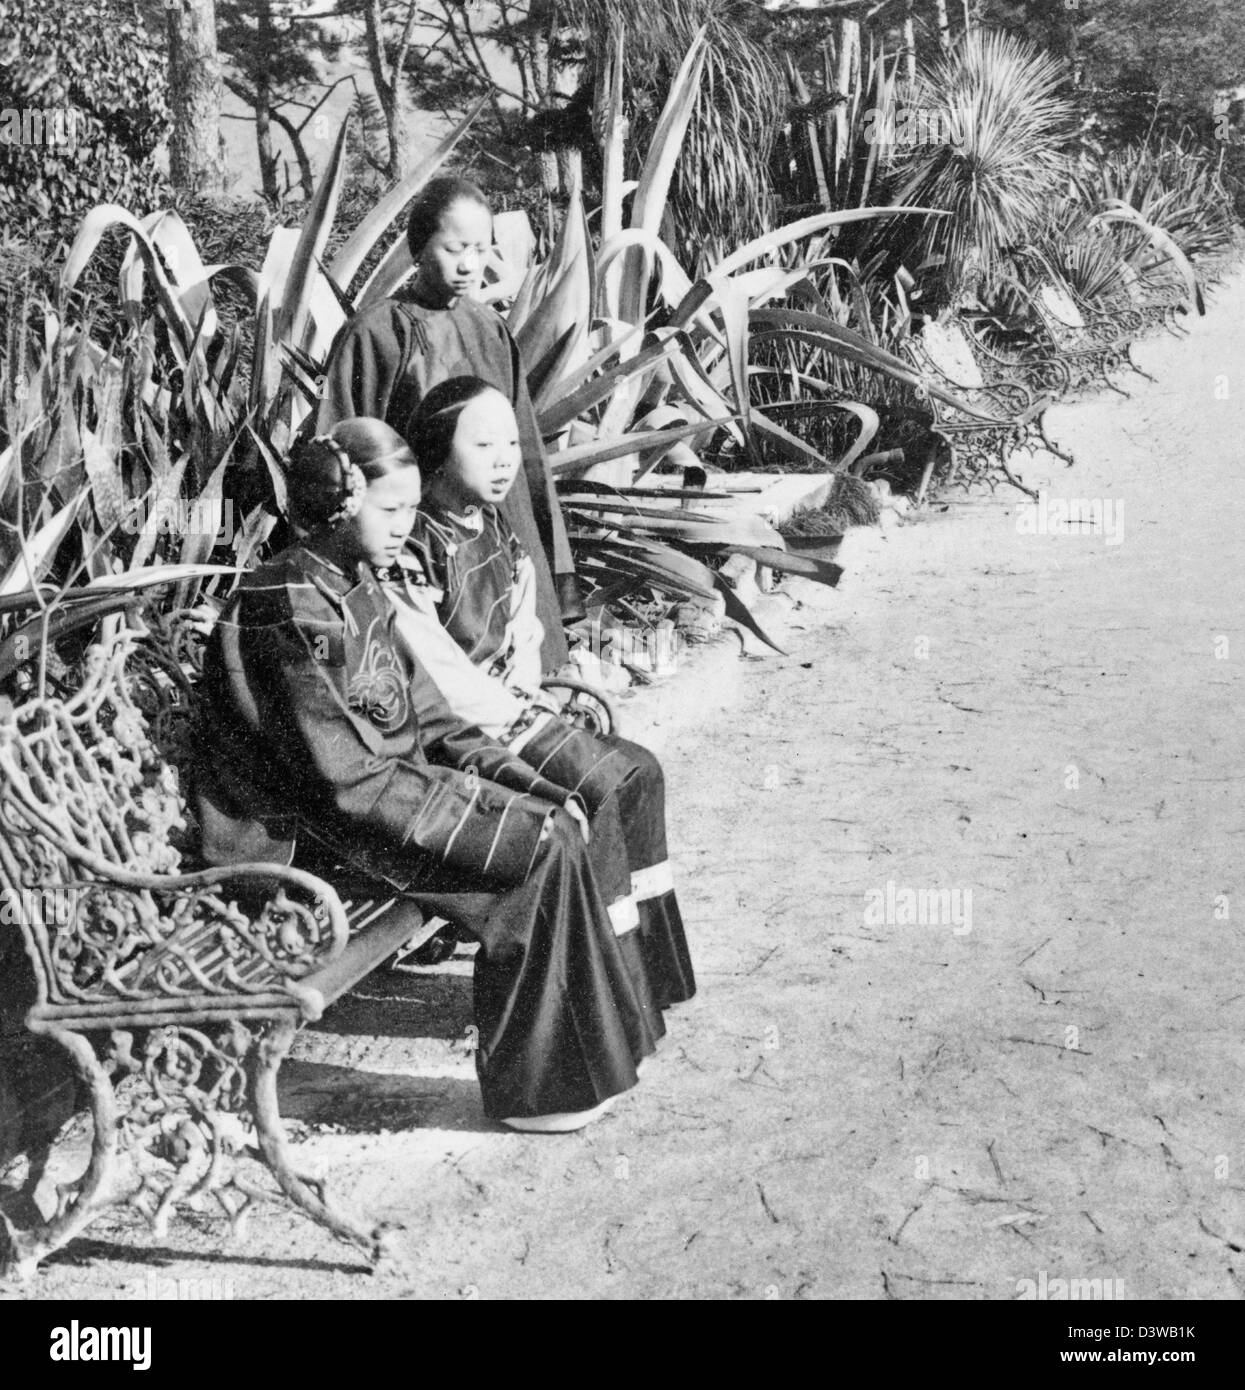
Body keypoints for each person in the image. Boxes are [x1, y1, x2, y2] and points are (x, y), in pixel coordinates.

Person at [192, 417, 656, 1132]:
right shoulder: (286, 605)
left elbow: (435, 722)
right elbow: (344, 781)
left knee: (561, 819)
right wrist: (503, 818)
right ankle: (541, 1092)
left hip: (376, 800)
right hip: (306, 835)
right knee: (536, 851)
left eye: (413, 508)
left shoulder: (355, 584)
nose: (406, 526)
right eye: (391, 509)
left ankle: (584, 1064)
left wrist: (536, 789)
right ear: (338, 503)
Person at [382, 376, 696, 1025]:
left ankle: (643, 977)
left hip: (512, 713)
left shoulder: (493, 523)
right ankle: (599, 992)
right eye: (482, 445)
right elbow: (438, 674)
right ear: (437, 449)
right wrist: (518, 717)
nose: (503, 460)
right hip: (454, 739)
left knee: (639, 774)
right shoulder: (412, 544)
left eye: (510, 444)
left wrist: (529, 695)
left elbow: (522, 629)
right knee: (600, 790)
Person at [316, 174, 581, 673]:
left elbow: (526, 449)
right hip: (420, 544)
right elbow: (342, 452)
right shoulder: (377, 333)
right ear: (419, 247)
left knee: (526, 663)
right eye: (454, 249)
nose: (469, 265)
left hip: (503, 526)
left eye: (480, 250)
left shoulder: (490, 328)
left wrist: (554, 570)